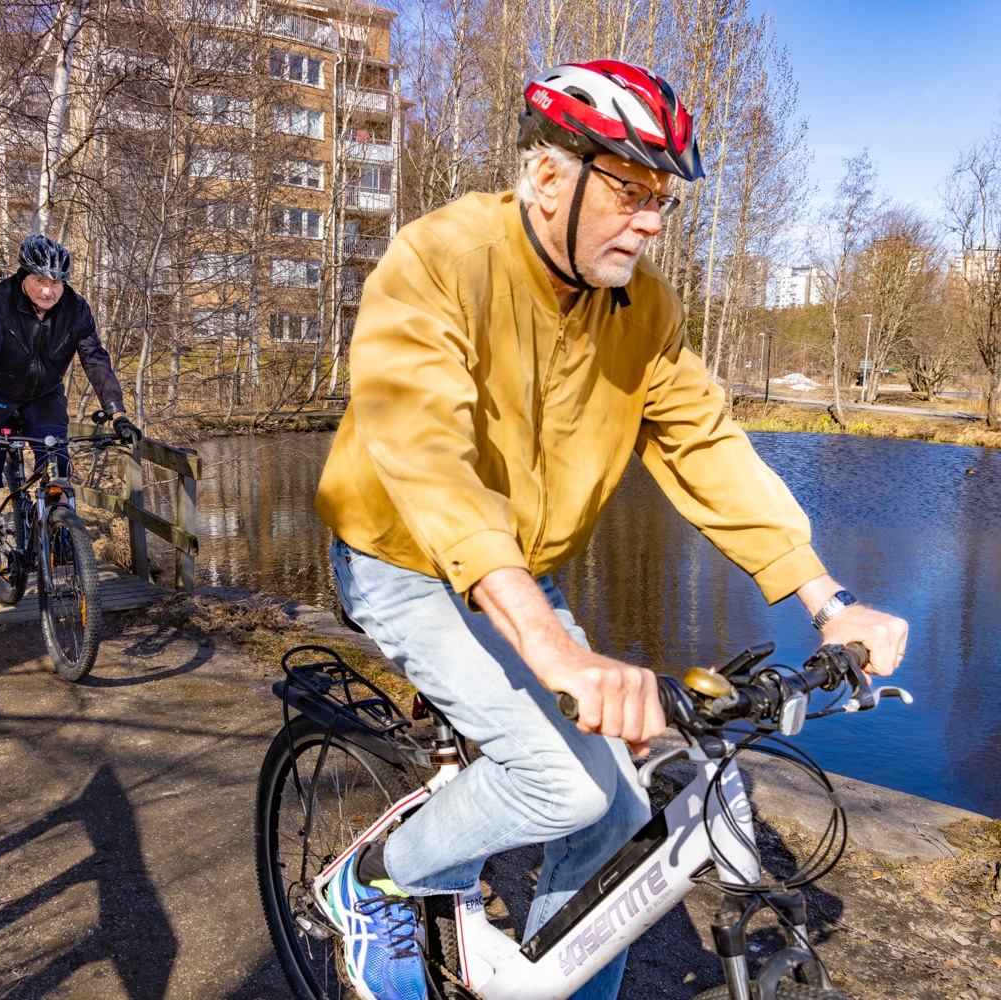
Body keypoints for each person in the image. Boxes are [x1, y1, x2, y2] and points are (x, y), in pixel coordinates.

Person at [312, 59, 909, 1000]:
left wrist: (825, 597)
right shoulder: (439, 261)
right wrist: (556, 649)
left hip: (524, 570)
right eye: (631, 192)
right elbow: (424, 454)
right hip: (402, 558)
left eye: (661, 199)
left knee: (621, 819)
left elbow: (705, 442)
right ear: (551, 179)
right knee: (567, 786)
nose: (652, 221)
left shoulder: (643, 309)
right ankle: (379, 878)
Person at [0, 233, 141, 581]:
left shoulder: (76, 309)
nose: (48, 291)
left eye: (56, 282)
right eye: (40, 280)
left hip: (45, 394)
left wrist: (119, 415)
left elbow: (95, 358)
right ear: (23, 275)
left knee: (57, 460)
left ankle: (60, 529)